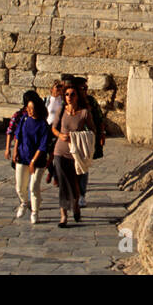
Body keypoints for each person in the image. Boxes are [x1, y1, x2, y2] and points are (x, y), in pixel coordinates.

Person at [50, 83, 96, 226]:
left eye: (72, 94)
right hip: (60, 151)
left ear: (77, 96)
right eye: (67, 94)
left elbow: (92, 131)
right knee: (63, 182)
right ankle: (63, 215)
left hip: (76, 154)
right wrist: (60, 135)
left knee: (75, 183)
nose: (69, 97)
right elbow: (54, 128)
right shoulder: (61, 110)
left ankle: (75, 204)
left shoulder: (84, 113)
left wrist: (77, 136)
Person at [9, 90, 51, 224]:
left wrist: (33, 161)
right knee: (20, 187)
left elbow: (43, 146)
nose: (30, 111)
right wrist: (15, 150)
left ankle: (35, 211)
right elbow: (18, 135)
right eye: (28, 108)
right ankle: (23, 203)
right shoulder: (24, 119)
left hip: (37, 160)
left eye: (32, 109)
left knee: (33, 187)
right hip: (23, 157)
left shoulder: (43, 125)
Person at [69, 79, 106, 207]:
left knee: (83, 166)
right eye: (82, 88)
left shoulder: (91, 102)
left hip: (87, 140)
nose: (85, 91)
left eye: (86, 88)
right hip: (72, 140)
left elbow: (99, 118)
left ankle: (82, 195)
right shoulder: (70, 102)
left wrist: (102, 133)